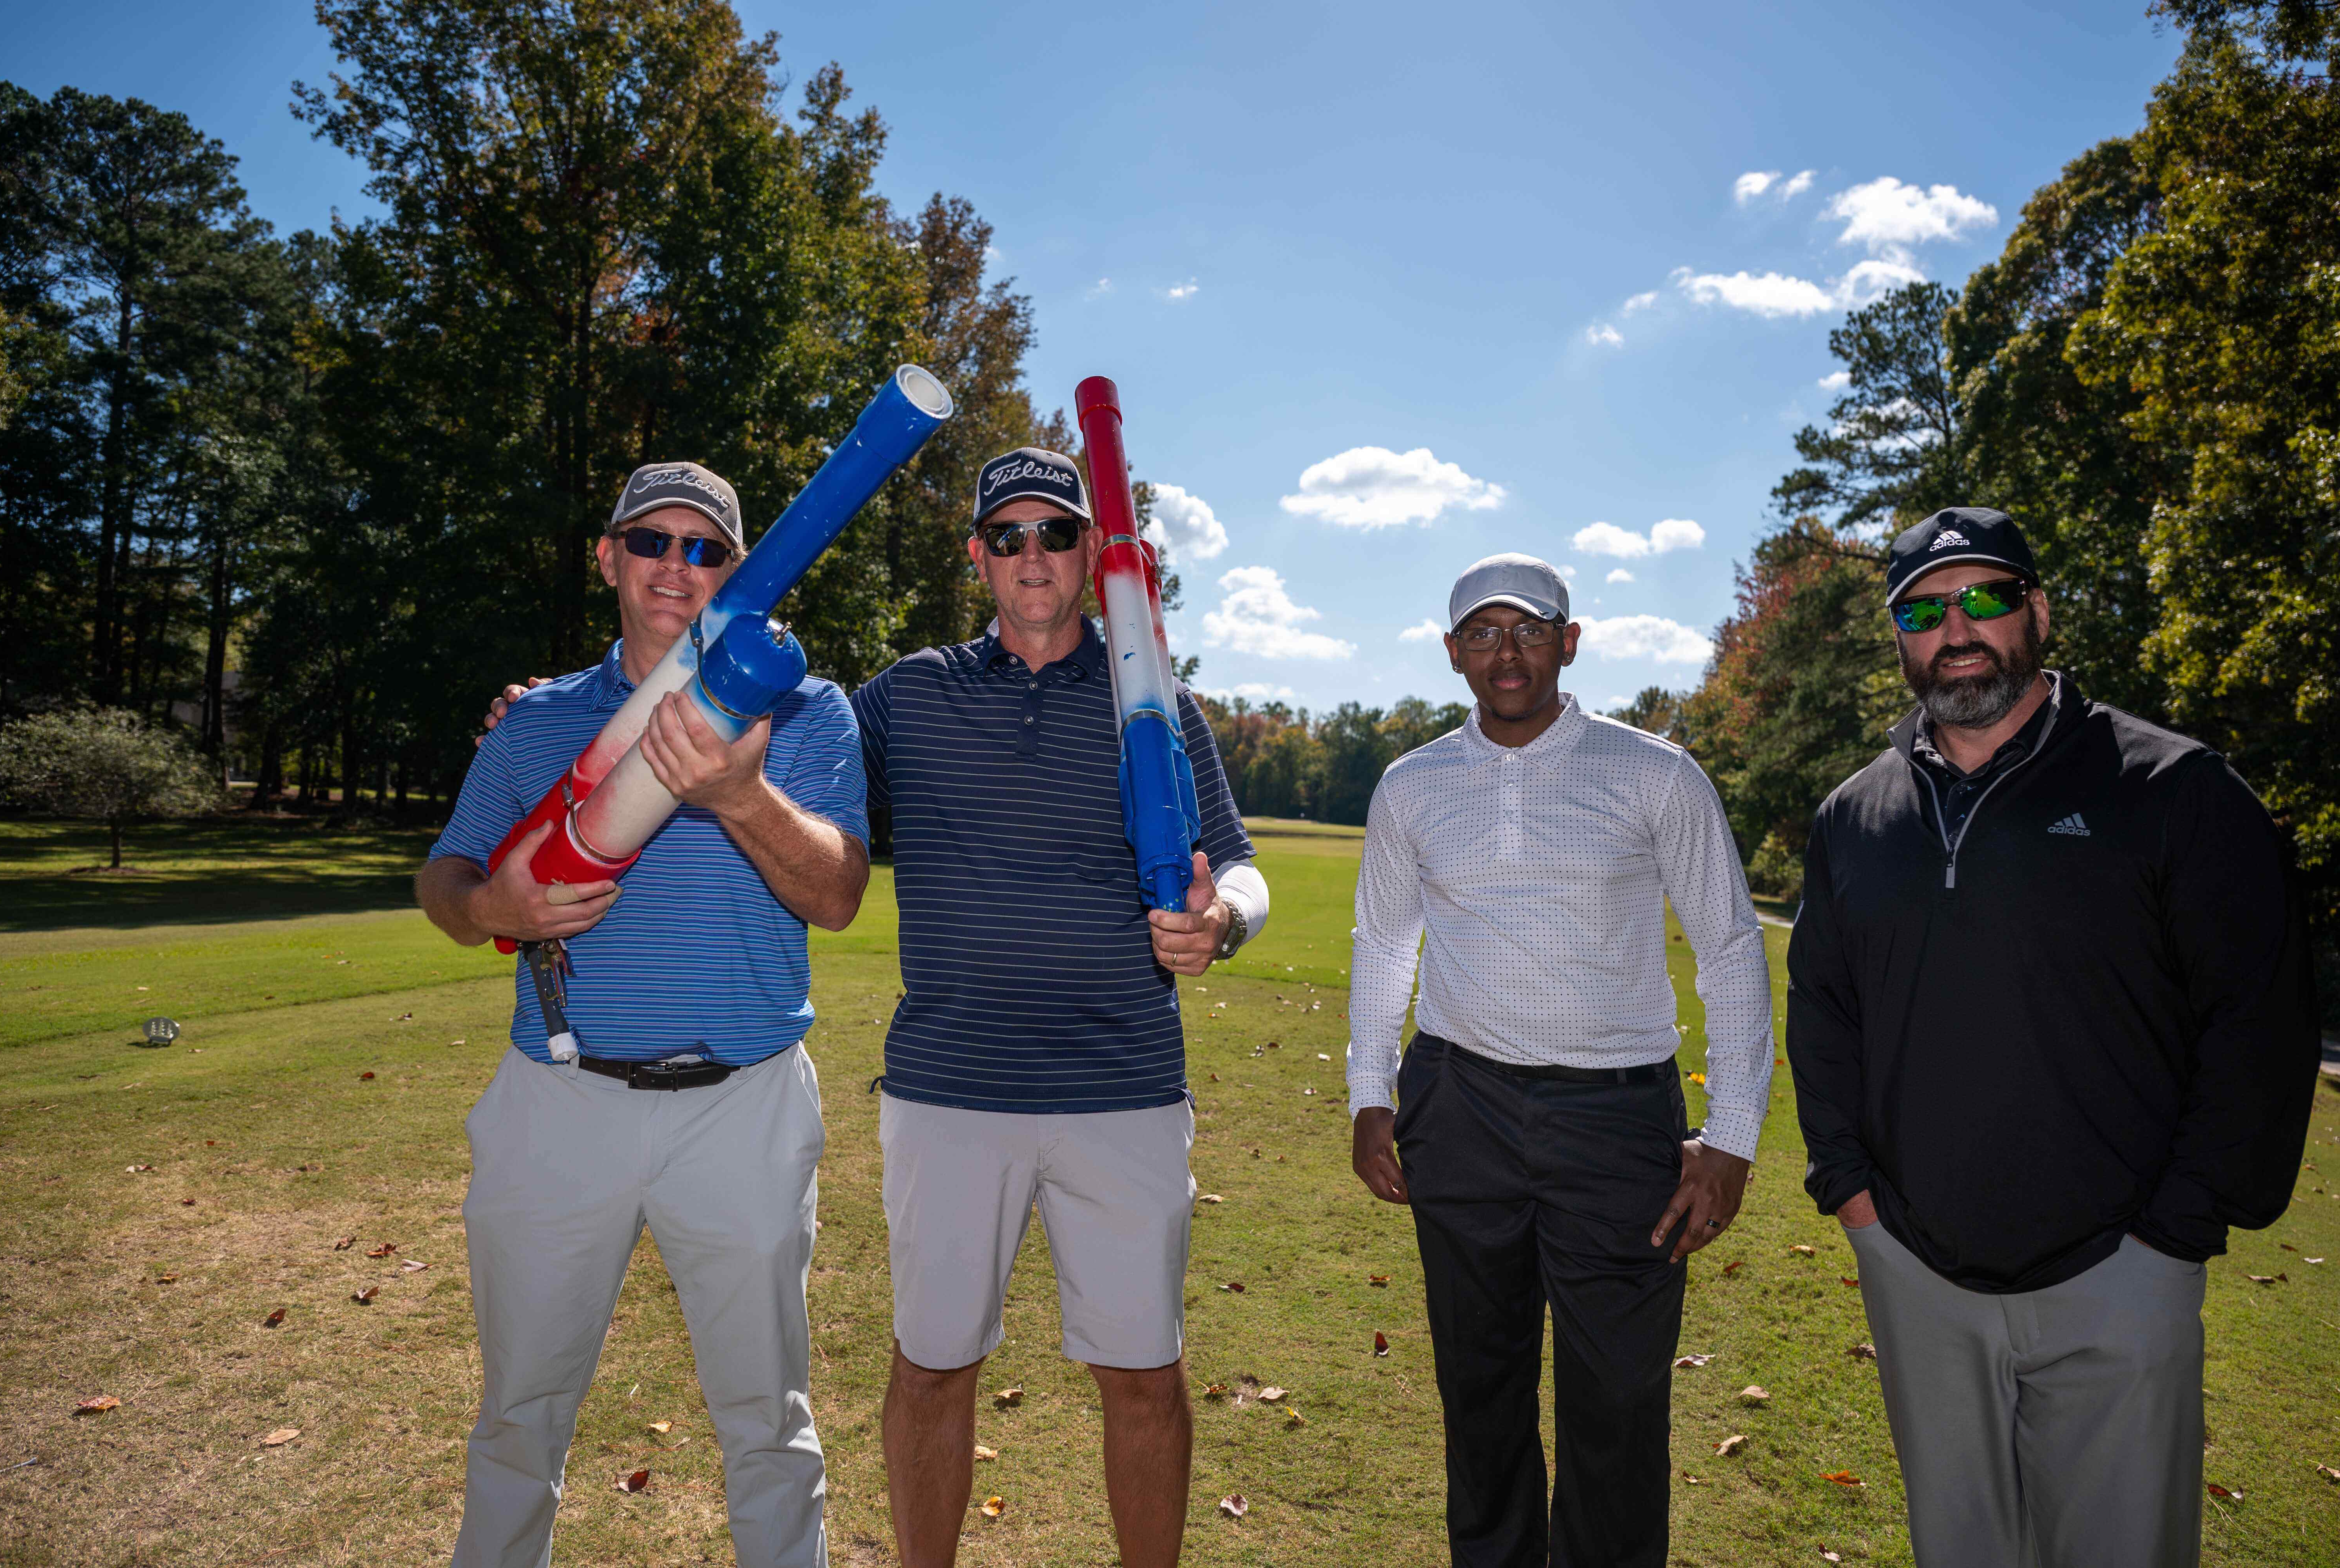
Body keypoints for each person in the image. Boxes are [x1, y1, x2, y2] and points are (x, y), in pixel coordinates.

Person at [1787, 507, 2318, 1568]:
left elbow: (2258, 1023)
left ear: (2036, 609)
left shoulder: (2170, 787)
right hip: (1917, 1270)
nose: (1957, 630)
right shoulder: (1855, 816)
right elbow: (1824, 1011)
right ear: (1899, 638)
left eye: (1984, 598)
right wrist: (1851, 1196)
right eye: (1924, 612)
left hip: (2121, 1269)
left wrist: (2177, 1230)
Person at [419, 461, 869, 1568]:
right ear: (610, 557)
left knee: (768, 1422)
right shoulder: (536, 720)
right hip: (558, 1098)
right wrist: (492, 907)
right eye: (653, 541)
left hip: (744, 1104)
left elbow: (837, 896)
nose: (678, 565)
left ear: (737, 573)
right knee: (520, 1413)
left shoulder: (806, 709)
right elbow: (445, 877)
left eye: (705, 549)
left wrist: (739, 794)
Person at [859, 446, 1269, 1568]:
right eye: (1008, 536)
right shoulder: (912, 694)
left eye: (1055, 532)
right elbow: (787, 750)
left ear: (1094, 551)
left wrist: (1224, 922)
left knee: (1143, 1376)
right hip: (950, 1091)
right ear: (978, 557)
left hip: (1122, 1091)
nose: (1031, 555)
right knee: (931, 1366)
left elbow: (1239, 866)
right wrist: (572, 720)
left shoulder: (1156, 700)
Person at [1347, 552, 1773, 1568]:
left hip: (1617, 1123)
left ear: (1569, 643)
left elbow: (1728, 949)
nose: (1508, 654)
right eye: (1484, 634)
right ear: (1454, 652)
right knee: (1479, 1392)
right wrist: (1369, 1094)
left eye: (1530, 630)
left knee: (1617, 1402)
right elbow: (1386, 944)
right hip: (1460, 1108)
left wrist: (1733, 1136)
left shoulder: (1655, 774)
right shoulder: (1412, 786)